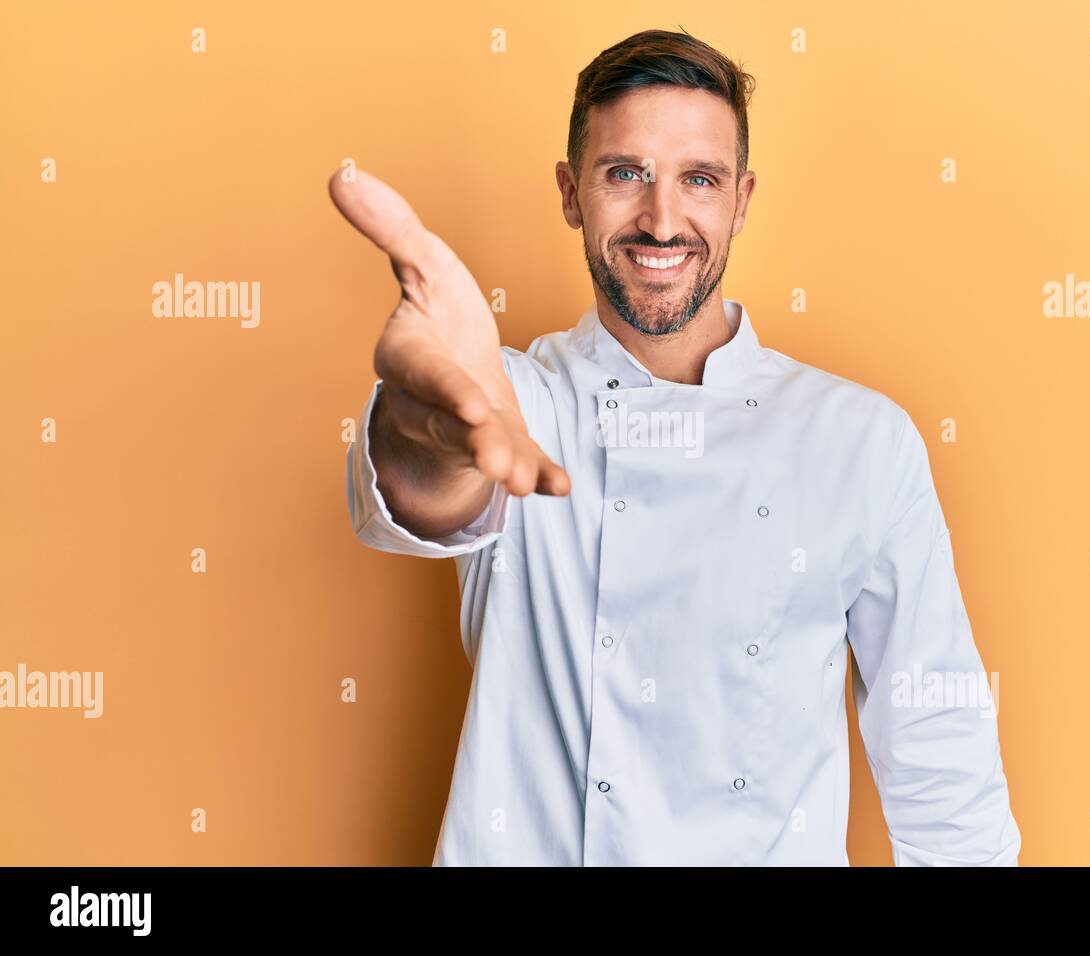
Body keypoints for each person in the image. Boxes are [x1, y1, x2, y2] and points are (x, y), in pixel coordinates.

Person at [333, 28, 1021, 866]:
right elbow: (411, 496)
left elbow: (937, 740)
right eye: (625, 174)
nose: (662, 219)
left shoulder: (859, 440)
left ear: (742, 199)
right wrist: (433, 428)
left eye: (699, 179)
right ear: (570, 192)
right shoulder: (516, 402)